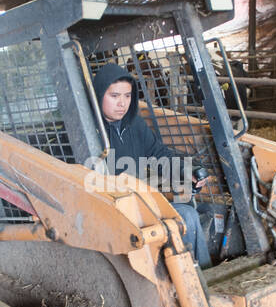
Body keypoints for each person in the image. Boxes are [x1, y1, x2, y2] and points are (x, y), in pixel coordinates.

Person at [90, 61, 212, 267]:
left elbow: (158, 154)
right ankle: (194, 280)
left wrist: (184, 171)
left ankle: (201, 273)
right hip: (109, 210)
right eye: (114, 96)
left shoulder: (134, 124)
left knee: (193, 212)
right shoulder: (89, 131)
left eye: (127, 96)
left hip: (139, 204)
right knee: (187, 216)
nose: (122, 103)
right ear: (99, 95)